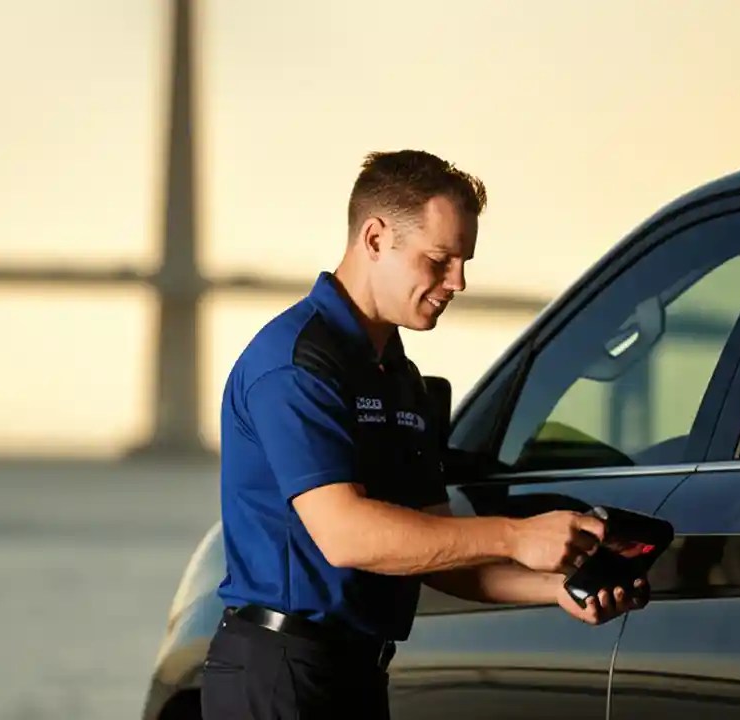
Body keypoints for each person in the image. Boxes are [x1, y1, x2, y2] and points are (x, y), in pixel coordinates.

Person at [199, 150, 649, 719]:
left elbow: (437, 546)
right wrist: (516, 536)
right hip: (277, 676)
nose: (458, 281)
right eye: (440, 259)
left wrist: (556, 588)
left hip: (358, 675)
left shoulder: (401, 377)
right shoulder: (296, 364)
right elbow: (347, 536)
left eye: (463, 261)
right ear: (375, 237)